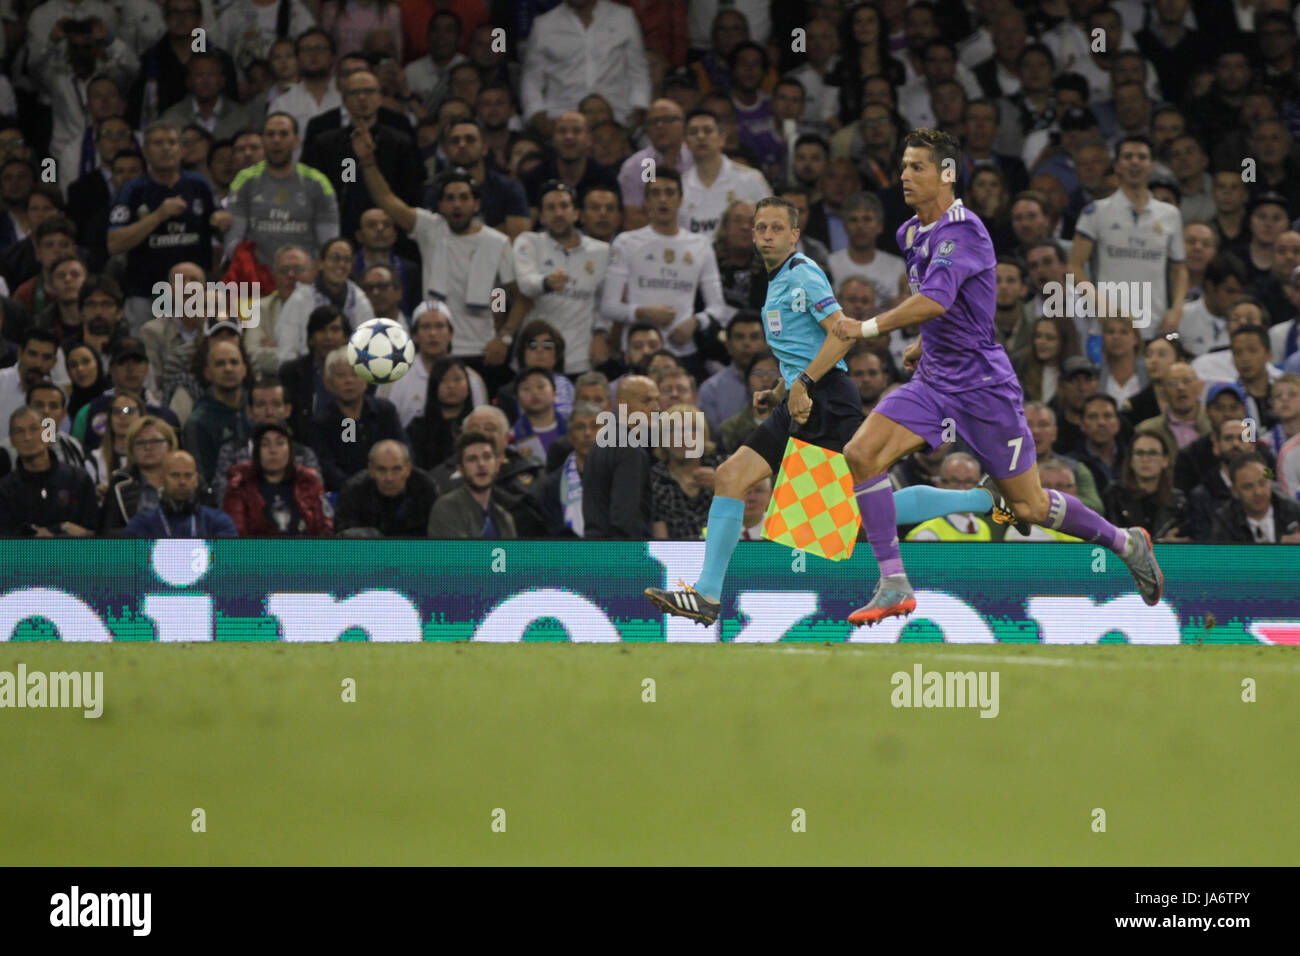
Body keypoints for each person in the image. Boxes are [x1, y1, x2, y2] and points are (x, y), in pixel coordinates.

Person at [645, 170, 1050, 626]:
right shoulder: (773, 281)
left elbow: (841, 336)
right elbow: (802, 348)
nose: (767, 235)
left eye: (778, 227)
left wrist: (802, 385)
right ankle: (706, 595)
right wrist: (780, 389)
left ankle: (986, 500)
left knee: (854, 509)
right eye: (760, 228)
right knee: (730, 476)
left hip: (827, 401)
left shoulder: (803, 274)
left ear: (796, 234)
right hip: (798, 399)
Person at [828, 130, 1161, 623]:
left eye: (917, 167)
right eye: (902, 166)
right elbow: (954, 303)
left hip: (984, 388)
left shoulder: (965, 230)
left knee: (1026, 507)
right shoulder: (908, 233)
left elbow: (938, 297)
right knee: (860, 453)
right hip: (934, 381)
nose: (904, 175)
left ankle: (1125, 541)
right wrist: (926, 340)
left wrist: (867, 326)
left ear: (946, 174)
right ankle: (893, 582)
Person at [354, 127, 517, 391]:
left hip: (482, 348)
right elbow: (386, 200)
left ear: (476, 204)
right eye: (450, 198)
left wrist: (503, 336)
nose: (456, 205)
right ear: (440, 205)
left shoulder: (496, 242)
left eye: (464, 198)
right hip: (434, 348)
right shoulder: (431, 230)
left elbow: (504, 294)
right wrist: (368, 162)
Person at [599, 167, 734, 379]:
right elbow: (608, 307)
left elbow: (718, 307)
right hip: (638, 353)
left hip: (684, 352)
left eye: (670, 193)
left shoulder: (701, 244)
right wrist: (642, 312)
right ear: (647, 201)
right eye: (656, 193)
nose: (663, 199)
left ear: (680, 199)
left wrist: (695, 322)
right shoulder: (626, 243)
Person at [107, 121, 216, 333]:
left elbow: (216, 236)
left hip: (193, 297)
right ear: (145, 151)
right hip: (146, 293)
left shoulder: (199, 185)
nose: (166, 148)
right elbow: (114, 244)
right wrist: (158, 215)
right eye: (158, 143)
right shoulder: (133, 190)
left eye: (172, 142)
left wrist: (222, 219)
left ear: (181, 149)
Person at [510, 181, 610, 376]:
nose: (558, 213)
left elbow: (603, 302)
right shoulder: (529, 242)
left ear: (576, 213)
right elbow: (525, 284)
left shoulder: (602, 252)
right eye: (550, 208)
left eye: (564, 206)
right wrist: (545, 283)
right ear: (541, 216)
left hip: (579, 358)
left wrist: (600, 333)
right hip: (534, 356)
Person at [224, 112, 340, 267]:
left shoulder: (318, 182)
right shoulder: (244, 180)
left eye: (284, 134)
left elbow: (329, 245)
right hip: (257, 277)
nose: (276, 140)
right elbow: (233, 242)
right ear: (263, 140)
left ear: (297, 141)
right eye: (270, 134)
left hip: (304, 278)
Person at [308, 346, 408, 491]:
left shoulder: (385, 411)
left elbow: (404, 450)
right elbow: (327, 469)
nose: (349, 381)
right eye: (341, 376)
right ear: (328, 382)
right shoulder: (321, 423)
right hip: (346, 495)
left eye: (355, 374)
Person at [211, 374, 322, 503]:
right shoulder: (231, 453)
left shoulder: (304, 455)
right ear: (250, 412)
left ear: (287, 410)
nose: (269, 412)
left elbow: (315, 499)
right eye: (261, 405)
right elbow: (223, 498)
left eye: (276, 404)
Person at [0, 406, 99, 536]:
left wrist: (57, 535)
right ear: (12, 440)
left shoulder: (79, 479)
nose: (27, 437)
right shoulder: (5, 489)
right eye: (19, 431)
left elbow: (94, 534)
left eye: (34, 429)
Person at [222, 419, 332, 535]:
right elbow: (233, 539)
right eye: (265, 444)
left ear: (290, 448)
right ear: (256, 451)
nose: (273, 450)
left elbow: (325, 530)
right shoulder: (240, 485)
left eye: (280, 443)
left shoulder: (309, 482)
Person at [124, 449, 238, 537]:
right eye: (175, 475)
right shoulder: (142, 523)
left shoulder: (218, 521)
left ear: (196, 480)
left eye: (188, 475)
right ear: (162, 479)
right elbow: (132, 565)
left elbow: (227, 565)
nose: (182, 482)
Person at [426, 431, 517, 539]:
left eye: (487, 457)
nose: (481, 464)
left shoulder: (505, 518)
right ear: (461, 470)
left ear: (497, 465)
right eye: (472, 459)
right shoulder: (447, 507)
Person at [99, 415, 182, 533]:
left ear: (169, 445)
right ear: (131, 448)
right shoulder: (119, 483)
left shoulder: (187, 478)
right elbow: (107, 532)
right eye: (140, 442)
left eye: (155, 441)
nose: (148, 447)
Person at [1103, 430, 1189, 542]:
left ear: (1165, 460)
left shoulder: (1178, 501)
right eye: (1139, 453)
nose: (1145, 459)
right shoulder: (1114, 495)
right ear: (1131, 461)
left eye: (1152, 453)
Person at [650, 405, 721, 539]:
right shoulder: (654, 480)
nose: (682, 437)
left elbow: (750, 516)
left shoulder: (722, 468)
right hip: (676, 556)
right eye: (672, 430)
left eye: (690, 430)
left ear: (703, 436)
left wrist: (723, 487)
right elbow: (660, 541)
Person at [534, 400, 599, 537]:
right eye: (580, 427)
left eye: (595, 426)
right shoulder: (552, 486)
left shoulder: (623, 479)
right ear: (570, 437)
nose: (587, 433)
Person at [1209, 453, 1300, 543]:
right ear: (1234, 491)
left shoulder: (1294, 512)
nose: (1258, 492)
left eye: (1262, 483)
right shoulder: (1224, 521)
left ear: (1270, 482)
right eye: (1248, 487)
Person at [903, 453, 993, 541]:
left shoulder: (984, 528)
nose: (962, 489)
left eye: (969, 481)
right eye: (954, 481)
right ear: (940, 485)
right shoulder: (925, 536)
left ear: (979, 487)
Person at [405, 356, 472, 471]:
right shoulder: (417, 429)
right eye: (443, 380)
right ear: (433, 386)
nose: (451, 386)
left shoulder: (478, 425)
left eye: (457, 379)